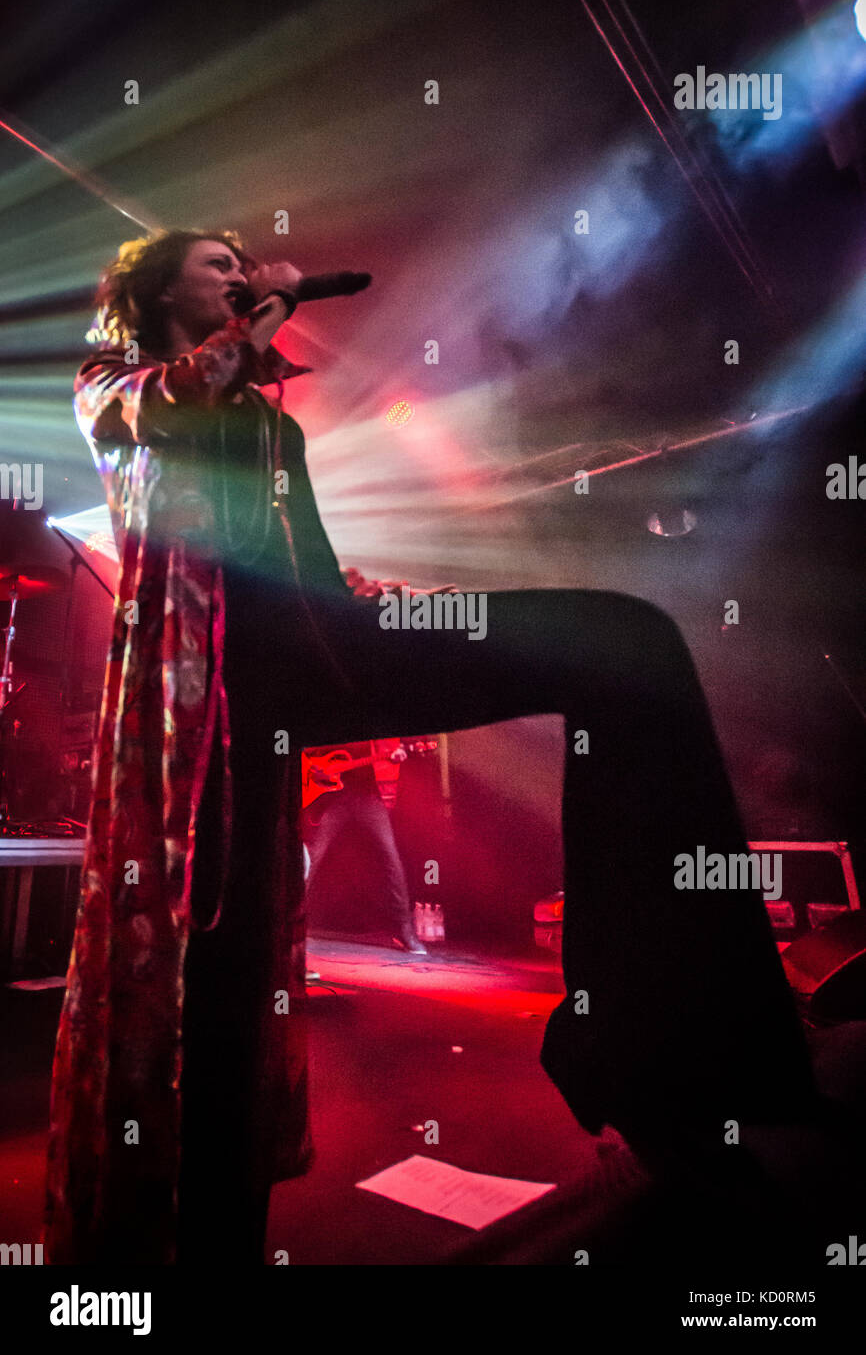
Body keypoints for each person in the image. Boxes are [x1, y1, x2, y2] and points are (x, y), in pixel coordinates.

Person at [44, 227, 819, 1266]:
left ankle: (667, 1052)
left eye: (243, 261)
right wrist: (256, 317)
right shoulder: (117, 386)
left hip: (313, 658)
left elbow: (303, 570)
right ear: (151, 286)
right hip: (204, 697)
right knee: (216, 978)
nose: (237, 270)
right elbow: (175, 404)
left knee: (626, 644)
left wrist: (393, 605)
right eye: (214, 261)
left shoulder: (260, 415)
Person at [303, 737, 428, 954]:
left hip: (368, 796)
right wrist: (311, 766)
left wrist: (395, 756)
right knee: (312, 857)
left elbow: (390, 751)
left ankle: (404, 931)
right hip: (331, 799)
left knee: (391, 859)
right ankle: (290, 923)